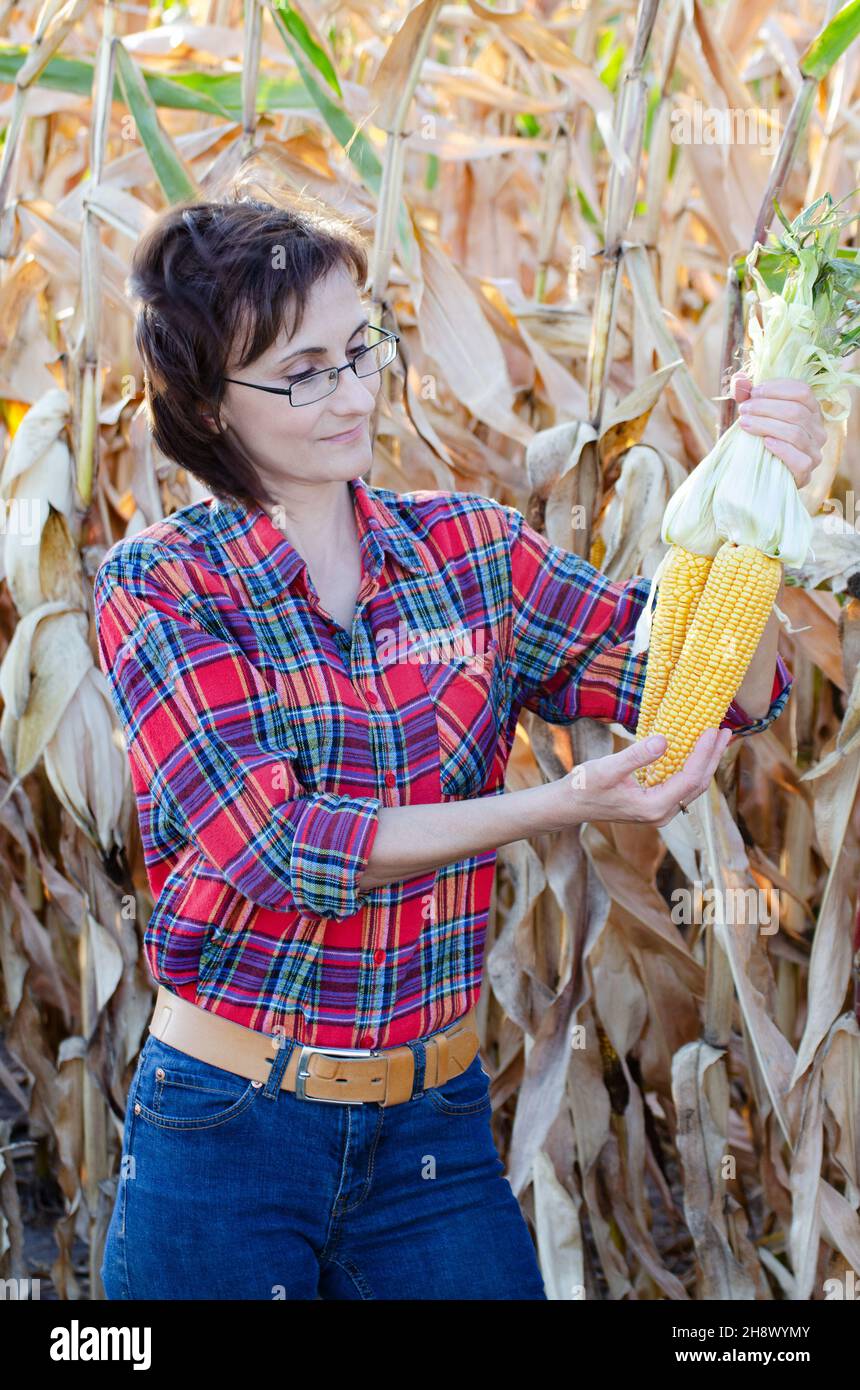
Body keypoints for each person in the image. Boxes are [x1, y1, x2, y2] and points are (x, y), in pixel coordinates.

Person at [94, 185, 824, 1301]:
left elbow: (710, 686)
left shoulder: (467, 553)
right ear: (203, 404)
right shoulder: (162, 586)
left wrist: (759, 501)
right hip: (229, 1127)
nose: (352, 393)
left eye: (361, 347)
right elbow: (280, 848)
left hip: (429, 1132)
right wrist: (555, 803)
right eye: (303, 372)